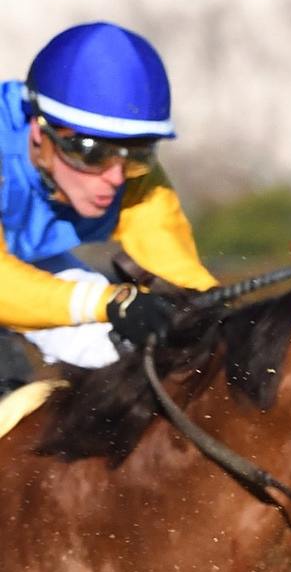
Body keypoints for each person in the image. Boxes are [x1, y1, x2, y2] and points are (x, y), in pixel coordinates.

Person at [1, 21, 215, 376]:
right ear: (39, 132)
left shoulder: (132, 176)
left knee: (130, 352)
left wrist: (214, 309)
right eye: (93, 153)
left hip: (20, 259)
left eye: (136, 153)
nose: (115, 177)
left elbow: (181, 276)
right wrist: (111, 302)